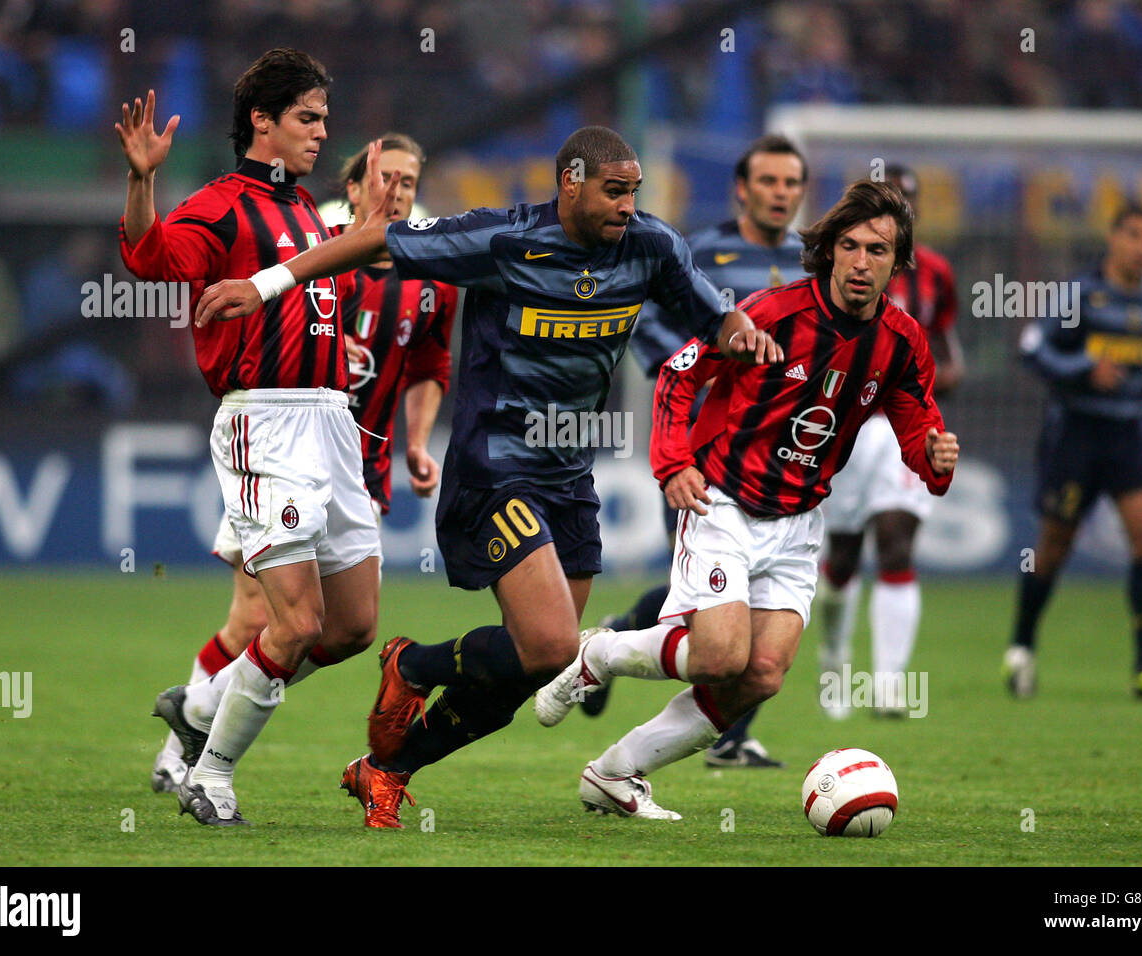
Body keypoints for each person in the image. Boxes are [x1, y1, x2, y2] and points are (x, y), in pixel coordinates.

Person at [195, 125, 782, 827]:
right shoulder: (503, 240)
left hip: (571, 476)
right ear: (571, 181)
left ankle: (389, 765)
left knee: (535, 663)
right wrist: (264, 285)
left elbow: (714, 317)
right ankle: (411, 671)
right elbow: (381, 243)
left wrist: (741, 333)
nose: (627, 206)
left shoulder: (651, 248)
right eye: (613, 190)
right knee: (556, 644)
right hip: (494, 471)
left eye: (634, 193)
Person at [534, 179, 959, 820]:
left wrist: (932, 456)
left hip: (799, 520)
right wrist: (673, 464)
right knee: (721, 656)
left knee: (760, 675)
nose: (861, 261)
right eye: (850, 245)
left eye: (878, 250)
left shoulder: (901, 343)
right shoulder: (772, 313)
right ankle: (600, 653)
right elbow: (682, 373)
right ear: (828, 250)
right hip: (723, 502)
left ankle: (616, 773)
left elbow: (915, 425)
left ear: (897, 264)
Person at [120, 48, 393, 826]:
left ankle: (202, 706)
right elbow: (150, 259)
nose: (319, 133)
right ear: (261, 122)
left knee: (349, 628)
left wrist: (377, 219)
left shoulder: (308, 213)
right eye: (307, 118)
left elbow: (372, 251)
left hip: (331, 421)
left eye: (325, 120)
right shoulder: (219, 206)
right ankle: (212, 775)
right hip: (263, 423)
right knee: (296, 621)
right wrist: (142, 180)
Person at [148, 131, 455, 796]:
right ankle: (184, 755)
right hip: (282, 444)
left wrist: (417, 439)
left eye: (409, 180)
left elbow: (432, 359)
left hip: (354, 463)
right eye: (385, 177)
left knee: (337, 626)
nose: (396, 190)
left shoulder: (430, 270)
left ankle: (196, 714)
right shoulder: (317, 248)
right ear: (352, 187)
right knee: (260, 621)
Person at [592, 133, 810, 769]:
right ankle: (619, 649)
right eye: (768, 182)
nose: (780, 193)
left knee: (752, 592)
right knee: (712, 586)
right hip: (701, 449)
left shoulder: (812, 261)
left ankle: (625, 648)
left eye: (791, 183)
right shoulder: (702, 255)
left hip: (780, 453)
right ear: (743, 189)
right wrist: (707, 360)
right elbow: (647, 321)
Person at [1004, 203, 1142, 699]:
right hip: (1076, 436)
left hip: (1128, 435)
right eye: (1136, 237)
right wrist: (1084, 368)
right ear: (1114, 239)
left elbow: (1137, 360)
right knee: (1054, 546)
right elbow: (1033, 350)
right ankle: (1021, 650)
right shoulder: (1078, 294)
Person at [816, 163, 964, 717]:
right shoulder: (841, 266)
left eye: (909, 201)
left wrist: (933, 379)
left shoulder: (935, 275)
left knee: (897, 542)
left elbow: (949, 352)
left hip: (899, 425)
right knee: (845, 555)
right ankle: (834, 658)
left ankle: (888, 685)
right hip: (841, 425)